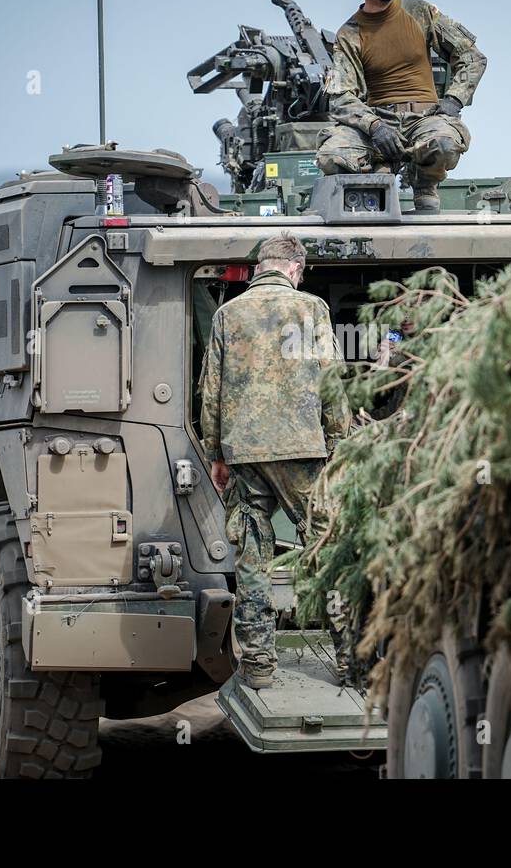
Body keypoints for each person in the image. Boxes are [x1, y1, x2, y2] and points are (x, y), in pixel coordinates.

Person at [199, 235, 352, 689]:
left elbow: (211, 390)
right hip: (303, 450)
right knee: (329, 550)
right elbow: (331, 381)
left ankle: (259, 665)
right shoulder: (311, 309)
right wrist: (340, 442)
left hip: (245, 452)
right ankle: (351, 661)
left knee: (252, 557)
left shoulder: (228, 315)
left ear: (259, 268)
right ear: (295, 269)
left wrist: (216, 453)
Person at [317, 0, 487, 213]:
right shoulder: (349, 34)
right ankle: (377, 174)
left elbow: (471, 57)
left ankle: (424, 182)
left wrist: (454, 101)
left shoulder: (420, 13)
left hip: (424, 120)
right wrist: (374, 126)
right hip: (378, 125)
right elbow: (341, 96)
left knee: (444, 142)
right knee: (332, 154)